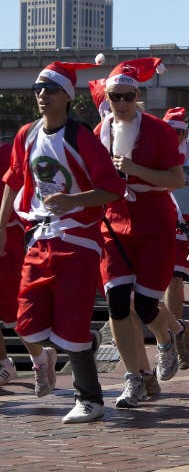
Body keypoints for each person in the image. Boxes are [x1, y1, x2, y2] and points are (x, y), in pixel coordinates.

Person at [0, 60, 126, 423]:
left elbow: (112, 189)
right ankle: (47, 359)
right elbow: (14, 178)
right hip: (39, 236)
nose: (42, 96)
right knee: (25, 322)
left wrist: (73, 200)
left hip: (78, 239)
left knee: (71, 324)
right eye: (38, 89)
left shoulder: (79, 136)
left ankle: (90, 399)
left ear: (66, 97)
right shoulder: (27, 134)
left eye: (50, 89)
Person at [95, 58, 185, 408]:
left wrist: (135, 169)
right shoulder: (99, 132)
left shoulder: (159, 131)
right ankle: (133, 378)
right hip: (113, 222)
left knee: (146, 305)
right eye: (114, 97)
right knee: (117, 302)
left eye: (127, 97)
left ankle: (169, 335)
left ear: (138, 96)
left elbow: (176, 180)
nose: (120, 104)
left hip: (153, 224)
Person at [162, 107, 189, 368]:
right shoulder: (157, 154)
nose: (174, 136)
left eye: (179, 131)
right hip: (170, 223)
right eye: (170, 131)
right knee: (173, 279)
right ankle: (175, 336)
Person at [0, 140, 24, 386]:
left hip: (8, 238)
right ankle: (5, 364)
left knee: (14, 309)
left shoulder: (9, 152)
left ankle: (40, 356)